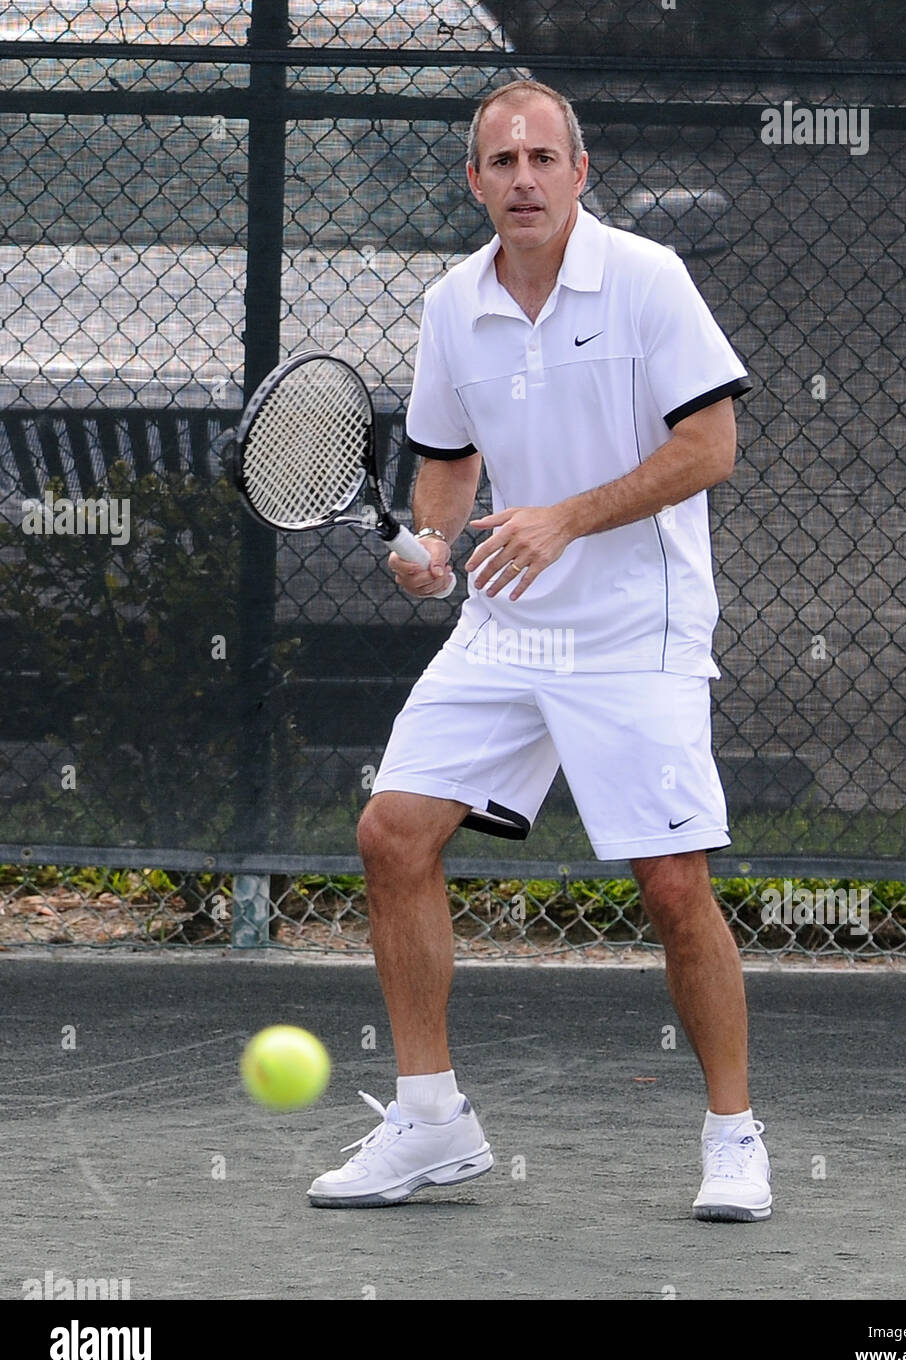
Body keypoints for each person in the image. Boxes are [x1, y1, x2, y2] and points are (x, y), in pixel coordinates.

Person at [308, 79, 771, 1221]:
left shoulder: (648, 278)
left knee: (670, 885)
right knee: (392, 830)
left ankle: (734, 1135)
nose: (521, 178)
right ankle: (427, 1119)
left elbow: (709, 446)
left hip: (635, 627)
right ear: (473, 181)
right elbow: (449, 459)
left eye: (540, 158)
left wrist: (563, 514)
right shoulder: (450, 304)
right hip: (505, 621)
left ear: (577, 172)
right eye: (500, 162)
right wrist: (425, 543)